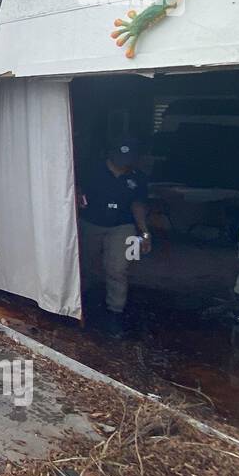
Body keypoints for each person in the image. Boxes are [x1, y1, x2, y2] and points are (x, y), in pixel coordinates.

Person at [77, 138, 151, 335]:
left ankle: (115, 312)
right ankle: (79, 305)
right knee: (84, 265)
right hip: (90, 223)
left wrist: (144, 232)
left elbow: (138, 205)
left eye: (128, 158)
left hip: (122, 226)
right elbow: (74, 189)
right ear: (110, 154)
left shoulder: (138, 177)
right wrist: (78, 197)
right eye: (119, 156)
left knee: (117, 269)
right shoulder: (91, 170)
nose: (123, 161)